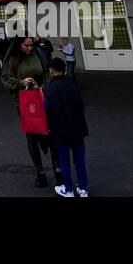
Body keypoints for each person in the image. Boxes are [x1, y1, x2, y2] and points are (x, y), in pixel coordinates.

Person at [0, 35, 63, 189]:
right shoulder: (13, 59)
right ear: (19, 45)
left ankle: (58, 171)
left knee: (51, 133)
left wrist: (45, 86)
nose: (29, 48)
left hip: (41, 96)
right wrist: (21, 82)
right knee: (32, 136)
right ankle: (40, 172)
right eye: (26, 45)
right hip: (25, 101)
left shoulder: (38, 53)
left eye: (31, 45)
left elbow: (48, 71)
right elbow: (6, 78)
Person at [43, 57, 89, 197]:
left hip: (60, 130)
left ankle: (68, 189)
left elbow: (46, 108)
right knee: (80, 160)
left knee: (64, 161)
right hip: (77, 128)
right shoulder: (74, 85)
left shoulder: (48, 89)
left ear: (51, 71)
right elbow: (81, 106)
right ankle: (83, 189)